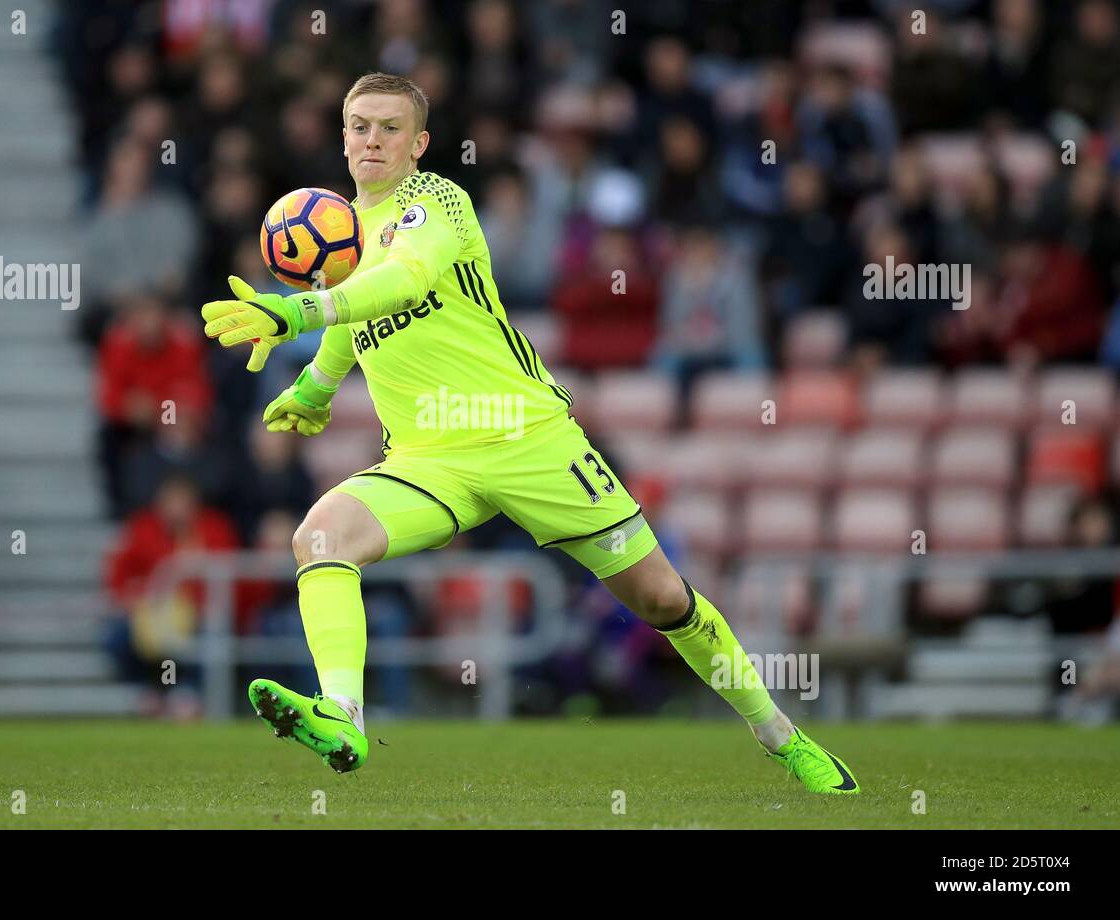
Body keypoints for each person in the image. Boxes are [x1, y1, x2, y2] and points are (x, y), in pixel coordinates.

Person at [199, 72, 859, 793]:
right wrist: (315, 388)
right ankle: (343, 714)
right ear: (344, 136)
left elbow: (403, 284)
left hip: (529, 440)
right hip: (428, 459)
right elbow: (357, 314)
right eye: (359, 125)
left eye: (389, 128)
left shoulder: (436, 202)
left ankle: (782, 737)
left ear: (419, 143)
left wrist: (296, 313)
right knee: (320, 537)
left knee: (663, 599)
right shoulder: (342, 231)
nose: (372, 140)